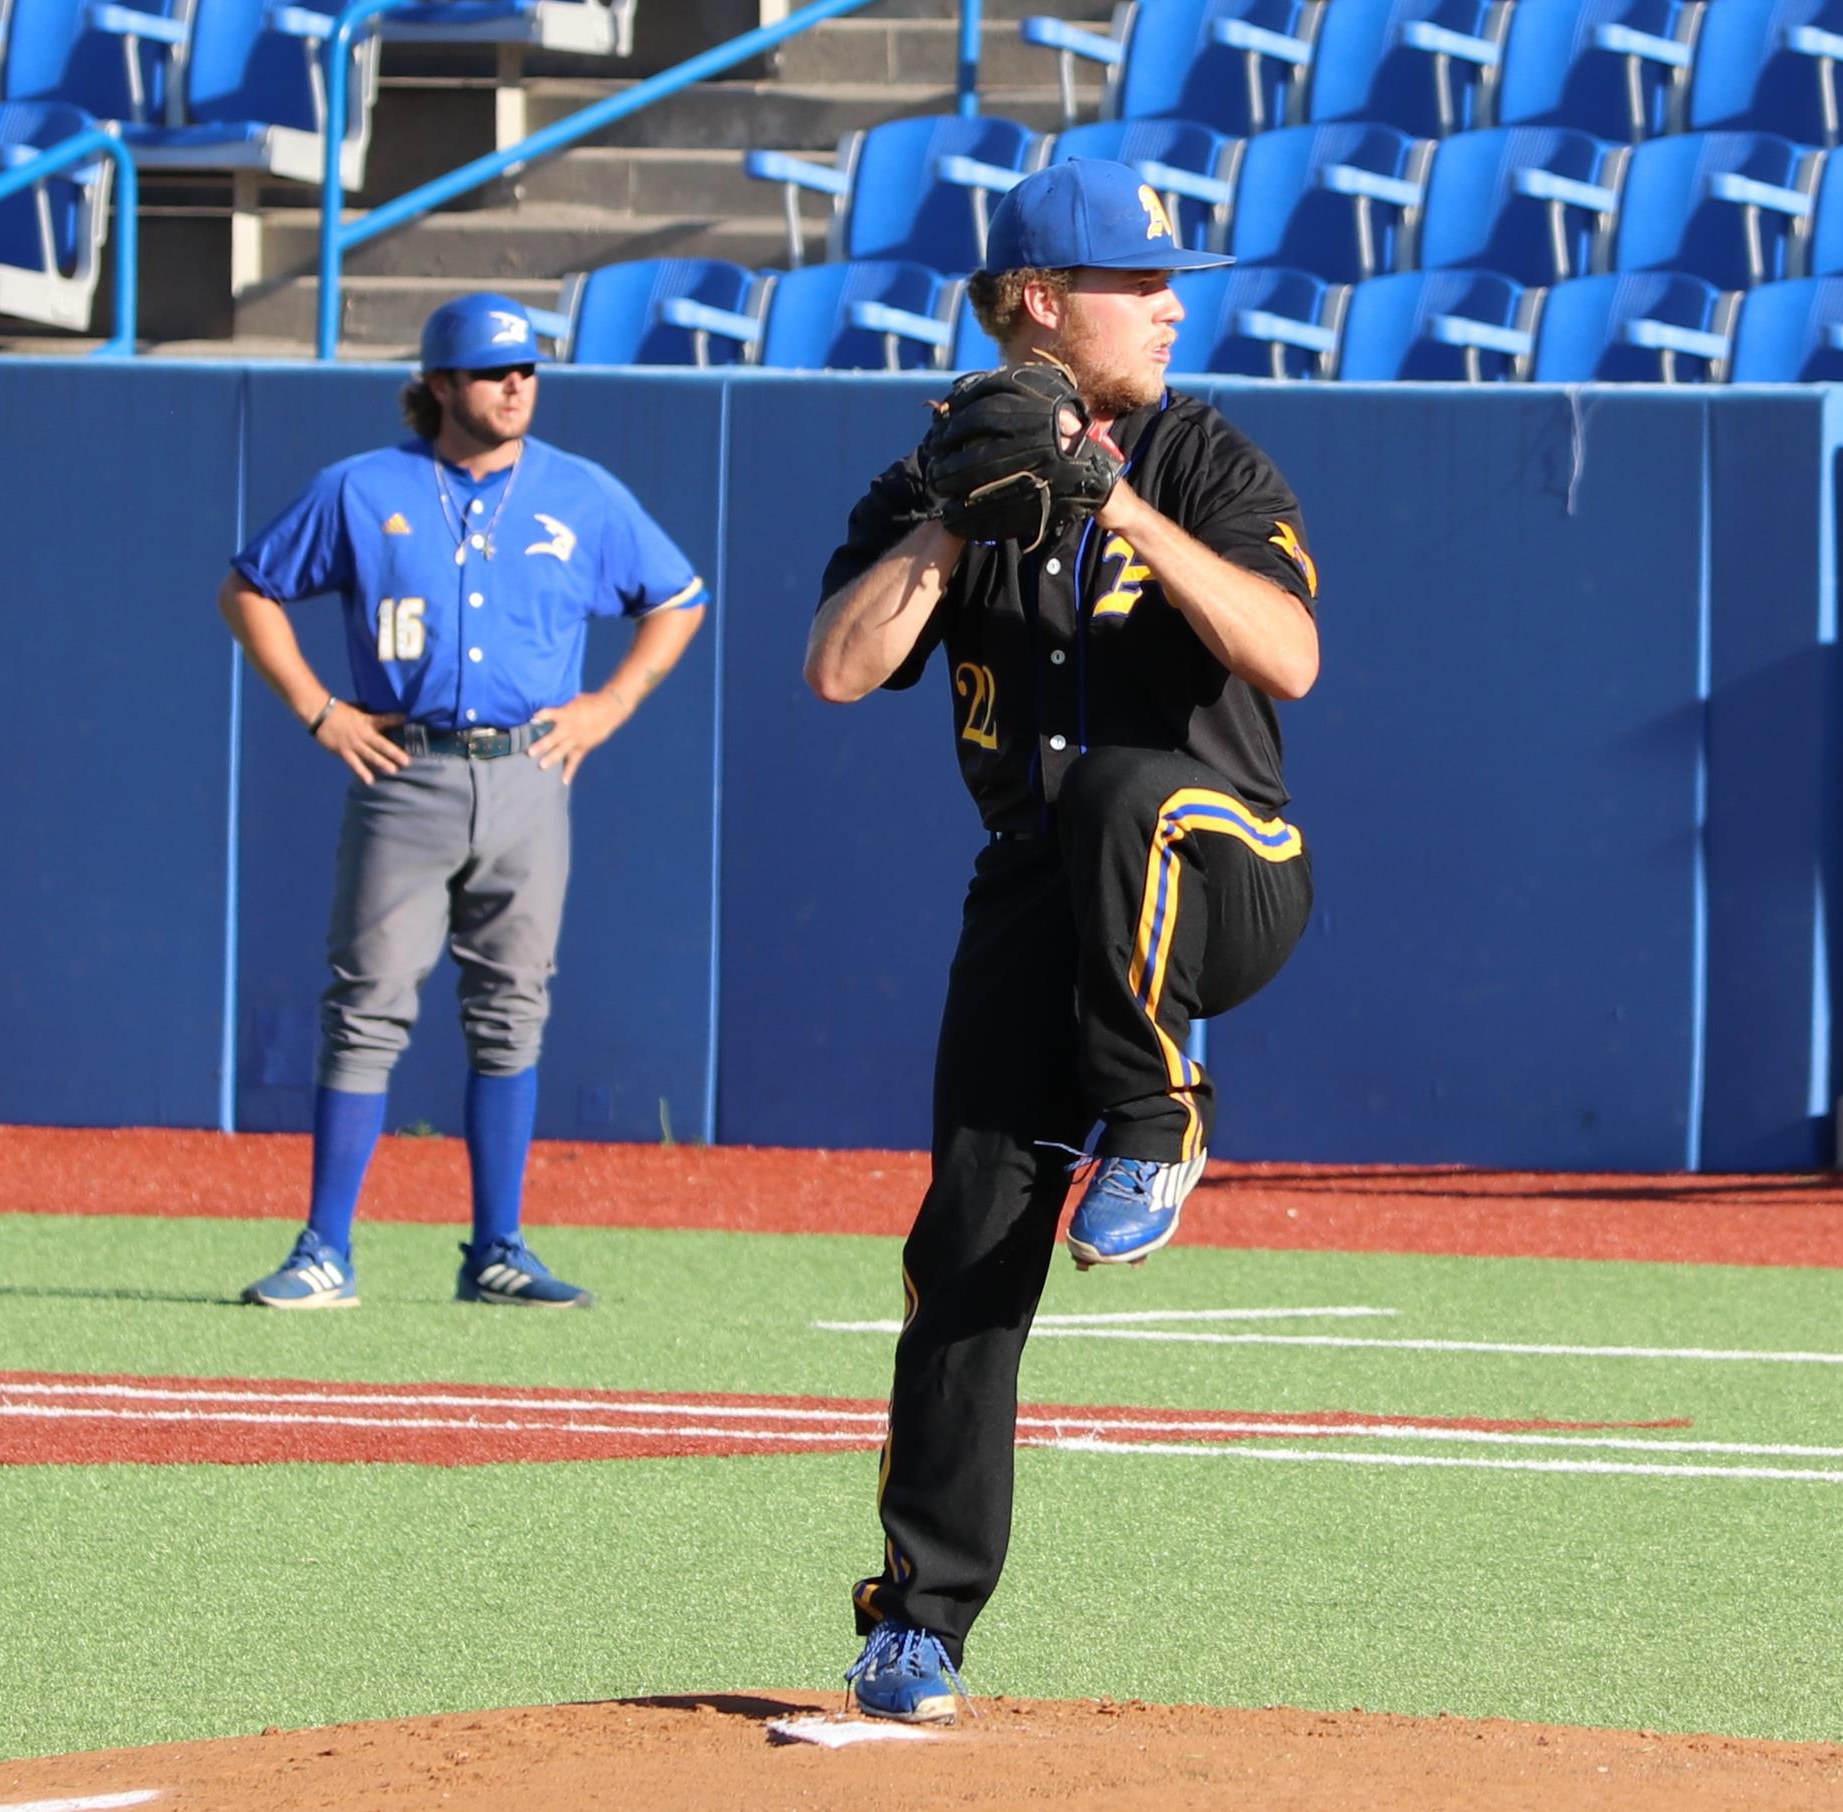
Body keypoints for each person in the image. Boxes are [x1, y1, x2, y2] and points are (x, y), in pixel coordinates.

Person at [805, 159, 1322, 1721]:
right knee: (965, 1241)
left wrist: (1120, 505)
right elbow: (838, 669)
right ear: (1039, 298)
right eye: (1140, 281)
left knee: (1116, 792)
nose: (1172, 308)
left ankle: (1160, 1116)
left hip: (1222, 862)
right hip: (1037, 898)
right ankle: (919, 1624)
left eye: (1172, 284)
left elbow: (1290, 656)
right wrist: (955, 523)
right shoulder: (937, 471)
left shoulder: (1200, 452)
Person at [221, 292, 708, 1310]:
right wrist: (319, 710)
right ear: (440, 384)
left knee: (512, 1011)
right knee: (367, 1007)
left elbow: (678, 598)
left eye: (527, 369)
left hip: (529, 772)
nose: (516, 386)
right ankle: (325, 1249)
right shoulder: (364, 487)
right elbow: (249, 588)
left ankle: (498, 1250)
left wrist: (611, 704)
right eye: (493, 372)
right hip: (407, 773)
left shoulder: (579, 491)